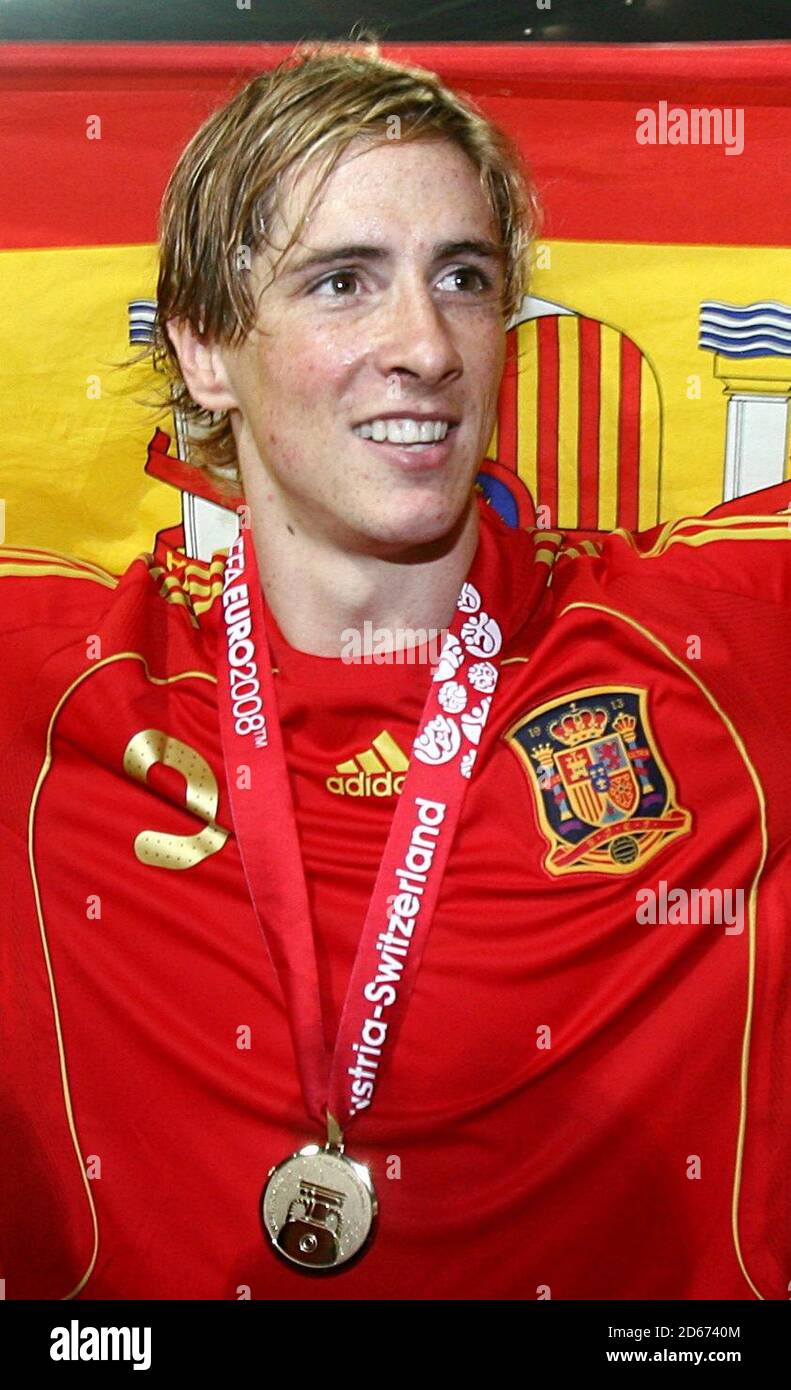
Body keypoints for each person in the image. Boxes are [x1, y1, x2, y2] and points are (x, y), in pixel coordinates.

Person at [1, 41, 789, 1302]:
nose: (425, 345)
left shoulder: (706, 646)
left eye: (463, 279)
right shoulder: (58, 691)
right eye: (343, 283)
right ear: (204, 347)